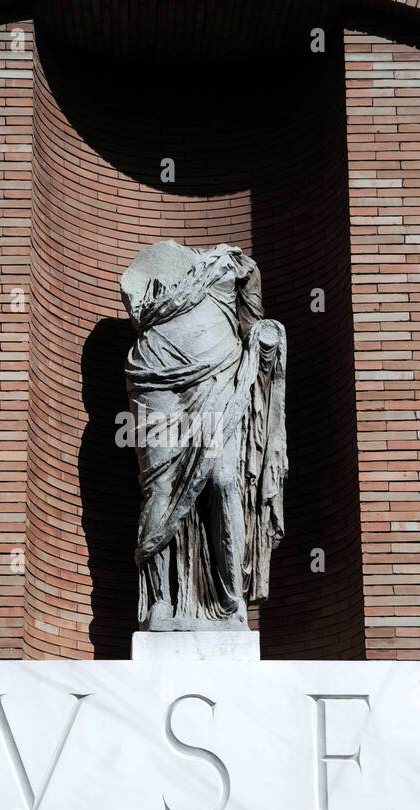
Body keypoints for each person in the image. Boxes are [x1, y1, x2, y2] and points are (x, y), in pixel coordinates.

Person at [120, 240, 287, 631]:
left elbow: (251, 325)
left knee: (224, 480)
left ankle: (232, 603)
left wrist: (268, 340)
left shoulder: (238, 265)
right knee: (160, 488)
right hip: (156, 379)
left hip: (216, 377)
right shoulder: (153, 266)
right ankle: (160, 603)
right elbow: (140, 310)